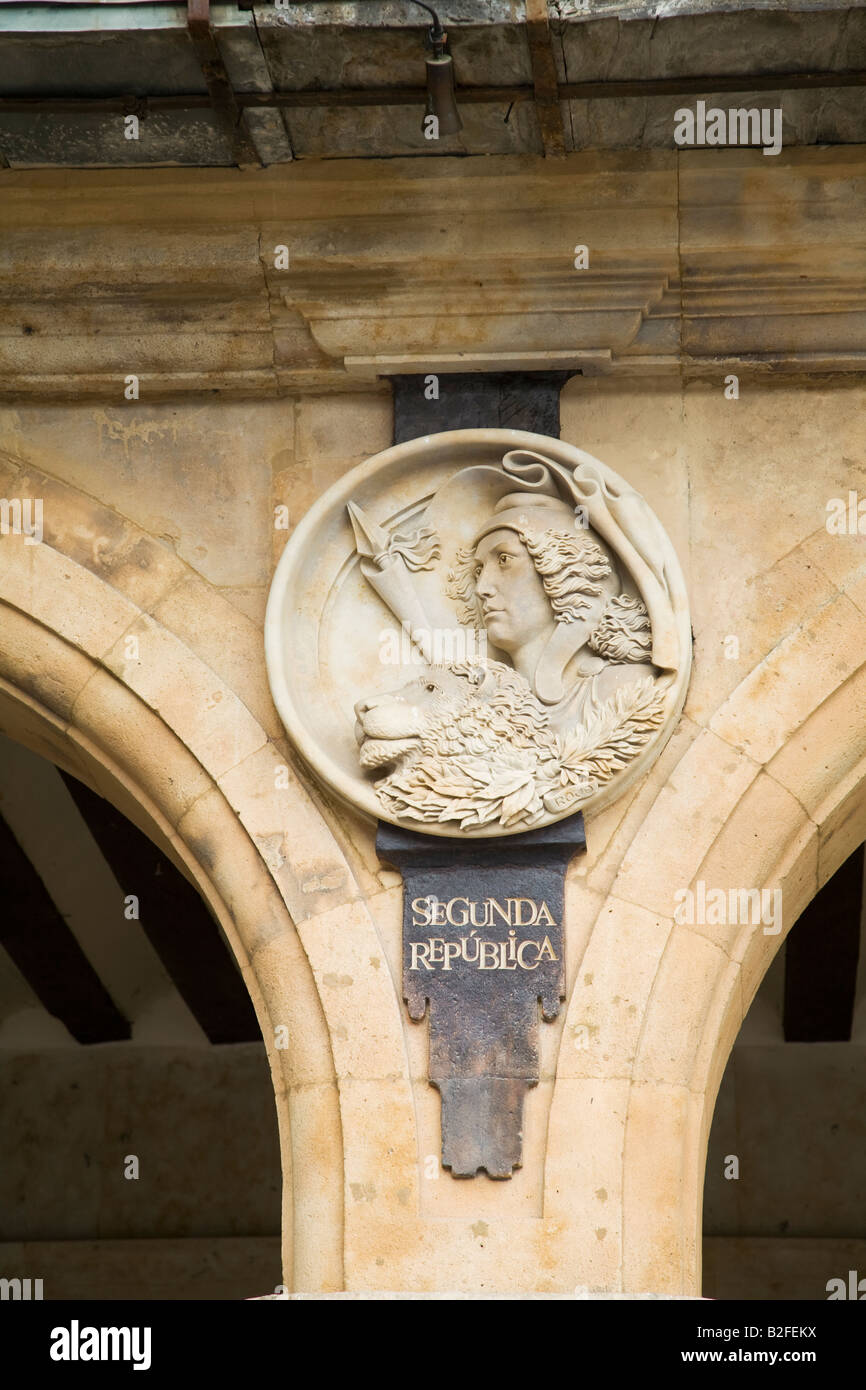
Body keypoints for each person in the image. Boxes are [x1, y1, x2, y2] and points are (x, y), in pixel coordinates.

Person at [447, 486, 657, 729]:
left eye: (504, 560)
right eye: (478, 570)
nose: (481, 587)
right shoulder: (478, 715)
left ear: (561, 568)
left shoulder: (621, 690)